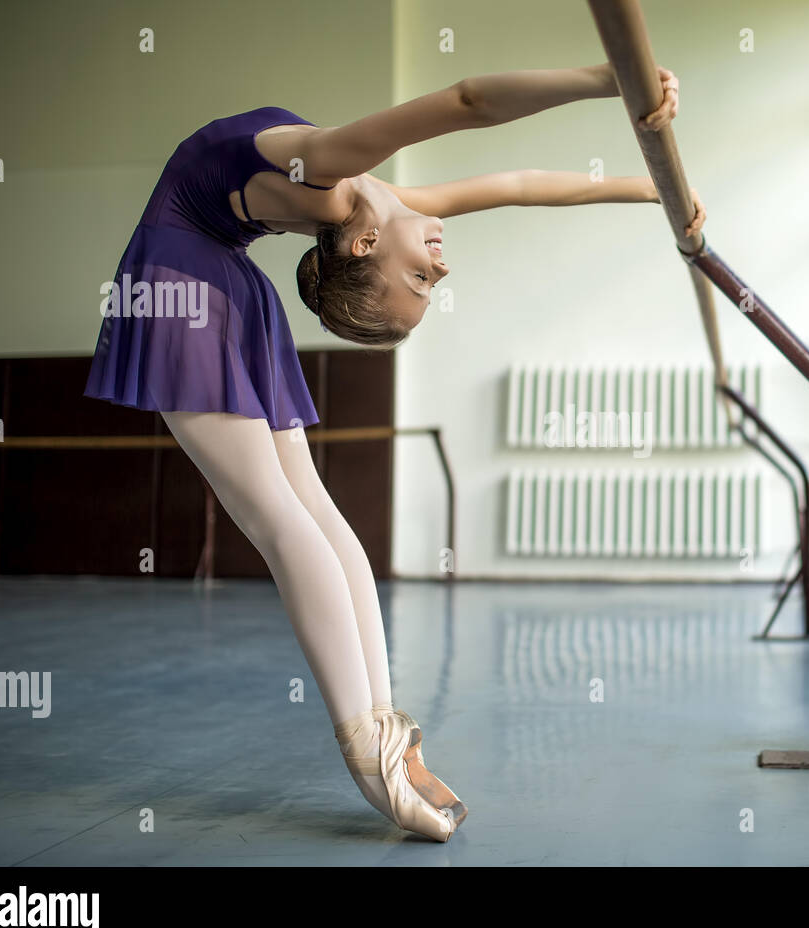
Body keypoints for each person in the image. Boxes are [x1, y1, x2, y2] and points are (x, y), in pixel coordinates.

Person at [84, 63, 705, 842]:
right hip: (206, 280)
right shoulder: (361, 198)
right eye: (430, 279)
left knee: (302, 516)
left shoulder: (338, 179)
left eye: (418, 275)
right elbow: (511, 180)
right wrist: (630, 153)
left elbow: (473, 112)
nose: (441, 265)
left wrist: (622, 127)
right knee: (292, 516)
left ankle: (386, 726)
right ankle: (368, 744)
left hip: (195, 272)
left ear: (367, 242)